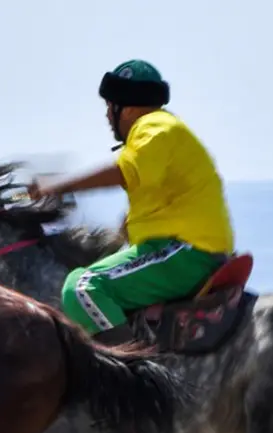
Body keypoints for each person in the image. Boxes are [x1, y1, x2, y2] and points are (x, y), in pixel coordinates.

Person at [29, 60, 235, 345]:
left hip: (186, 252)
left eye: (109, 106)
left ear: (125, 108)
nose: (106, 116)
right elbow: (158, 194)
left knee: (82, 288)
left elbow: (125, 173)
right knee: (89, 274)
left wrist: (57, 186)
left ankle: (133, 383)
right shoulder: (165, 134)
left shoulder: (153, 127)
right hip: (187, 249)